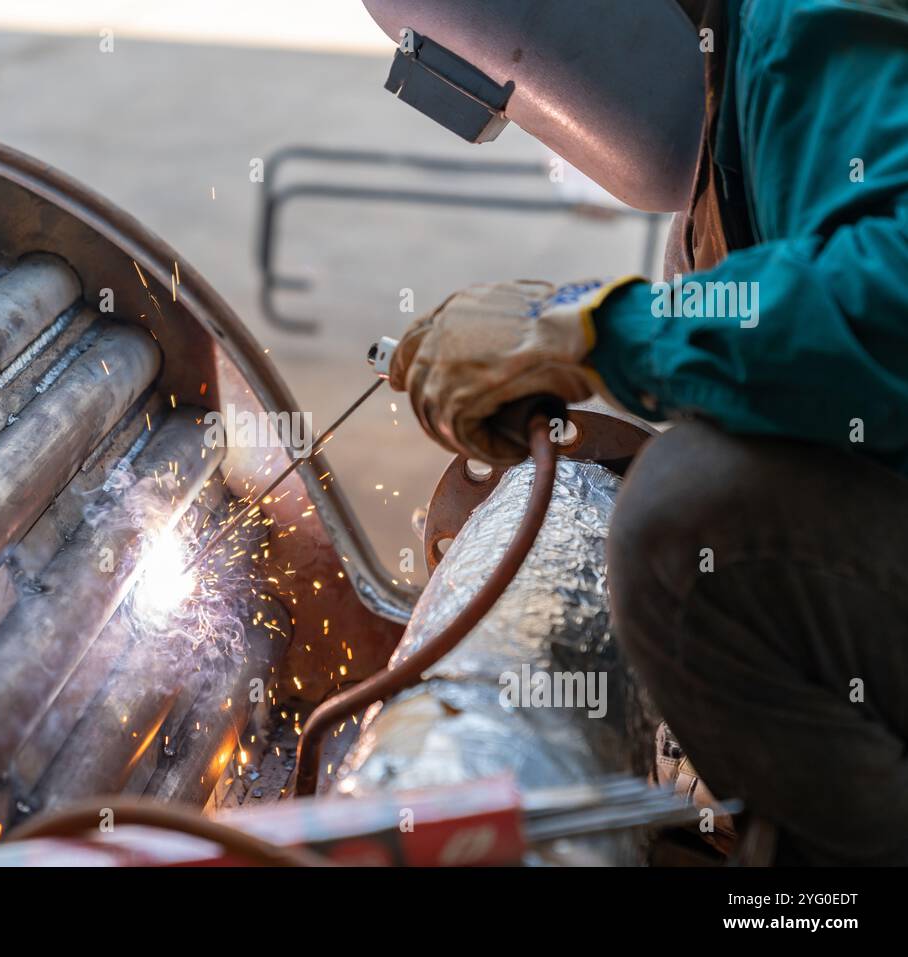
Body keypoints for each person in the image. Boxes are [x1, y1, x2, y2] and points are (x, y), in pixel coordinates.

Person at [377, 0, 908, 864]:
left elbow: (891, 302)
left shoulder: (802, 20)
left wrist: (595, 333)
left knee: (695, 522)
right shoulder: (752, 56)